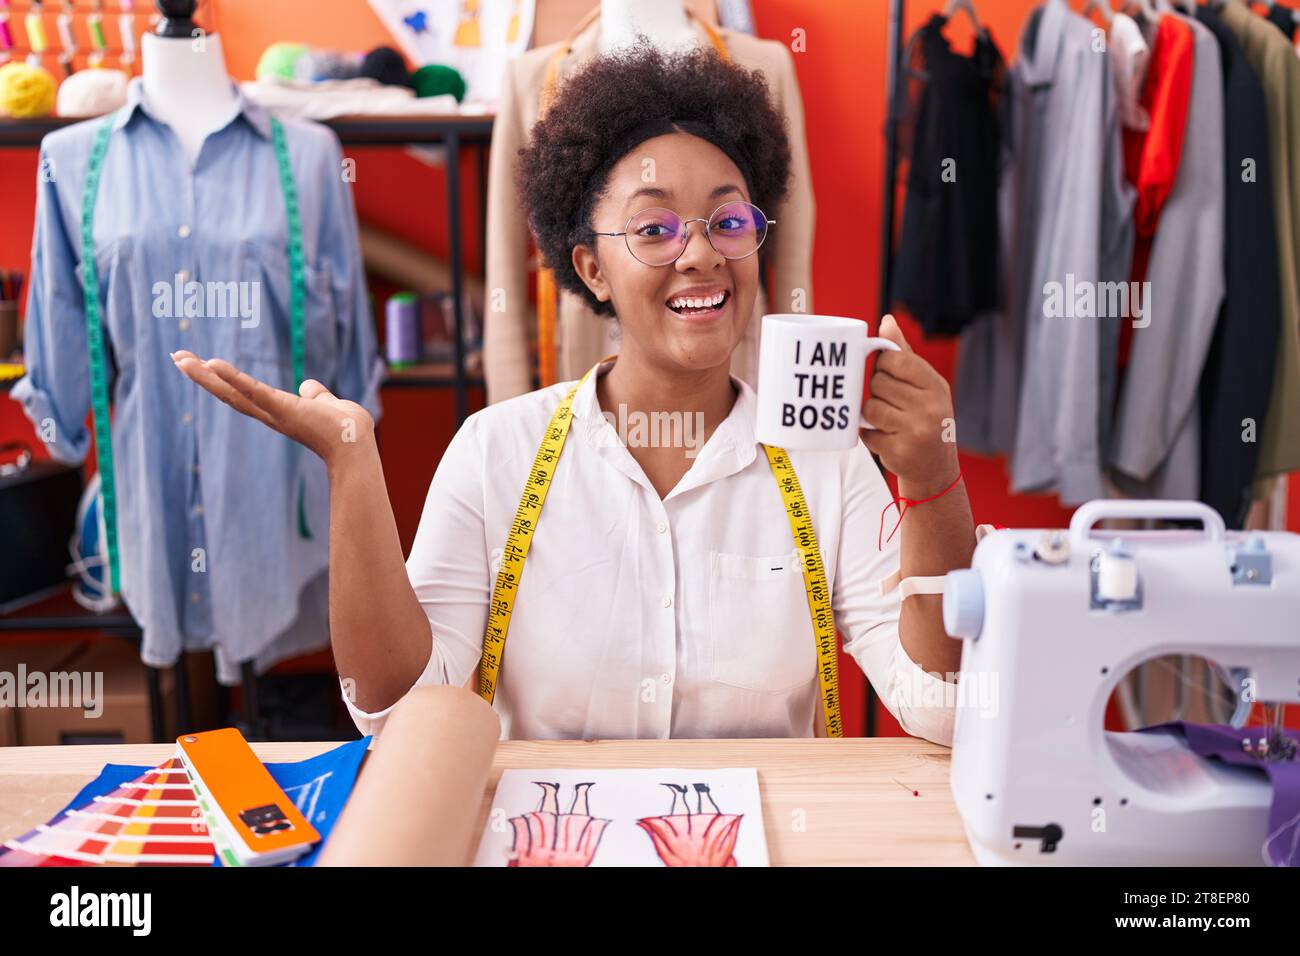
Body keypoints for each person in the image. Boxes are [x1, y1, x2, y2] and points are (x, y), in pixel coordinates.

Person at [172, 46, 975, 744]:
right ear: (591, 268)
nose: (700, 255)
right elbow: (399, 707)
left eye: (728, 222)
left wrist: (933, 487)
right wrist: (351, 463)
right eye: (654, 230)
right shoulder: (497, 454)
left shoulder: (824, 466)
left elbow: (938, 707)